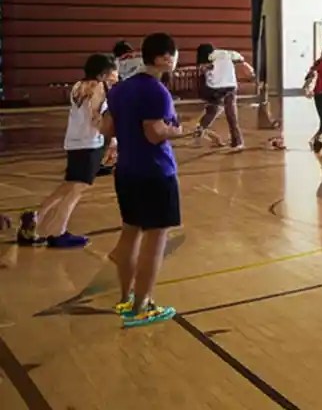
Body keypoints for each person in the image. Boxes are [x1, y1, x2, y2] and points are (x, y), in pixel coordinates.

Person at [101, 32, 185, 327]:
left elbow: (107, 128)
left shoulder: (121, 89)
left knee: (130, 233)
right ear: (164, 57)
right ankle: (143, 305)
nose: (175, 59)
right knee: (155, 240)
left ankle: (126, 299)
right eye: (173, 53)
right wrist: (177, 130)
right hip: (154, 172)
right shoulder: (156, 91)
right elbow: (154, 132)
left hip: (126, 171)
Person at [18, 53, 119, 248]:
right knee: (76, 190)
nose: (117, 74)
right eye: (114, 70)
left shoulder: (78, 86)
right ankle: (58, 232)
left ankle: (36, 217)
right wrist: (112, 138)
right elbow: (95, 118)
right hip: (89, 144)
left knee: (68, 185)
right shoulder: (98, 87)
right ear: (104, 73)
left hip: (74, 142)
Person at [193, 43, 253, 150]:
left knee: (213, 110)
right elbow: (240, 58)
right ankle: (237, 141)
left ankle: (199, 131)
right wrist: (246, 66)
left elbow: (204, 69)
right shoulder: (226, 53)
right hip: (229, 86)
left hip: (214, 87)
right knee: (231, 115)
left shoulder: (208, 58)